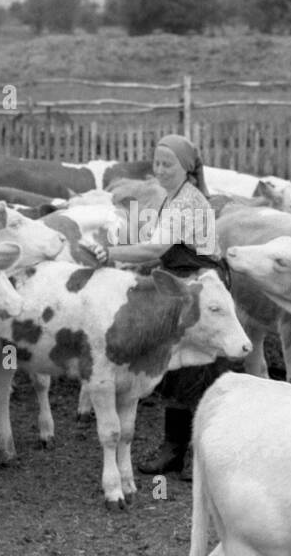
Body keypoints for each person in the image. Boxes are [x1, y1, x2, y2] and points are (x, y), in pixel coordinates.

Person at [81, 134, 235, 477]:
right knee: (176, 367)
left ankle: (198, 452)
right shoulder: (173, 196)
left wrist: (112, 254)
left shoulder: (186, 203)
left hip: (199, 286)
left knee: (199, 370)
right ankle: (176, 448)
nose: (161, 170)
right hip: (181, 283)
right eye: (157, 163)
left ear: (187, 168)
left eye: (169, 164)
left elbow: (153, 249)